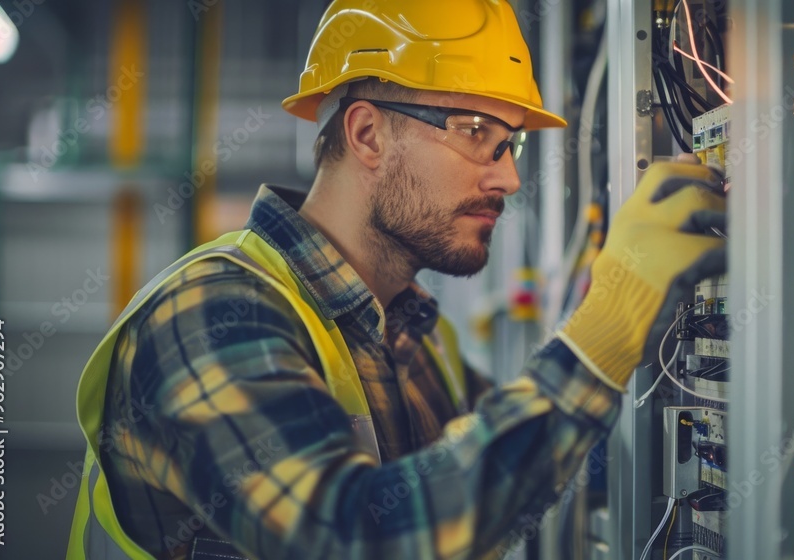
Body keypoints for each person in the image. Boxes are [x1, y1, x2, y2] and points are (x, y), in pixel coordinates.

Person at [66, 1, 726, 558]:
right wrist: (605, 327)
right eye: (475, 132)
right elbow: (355, 537)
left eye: (511, 144)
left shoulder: (416, 338)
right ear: (367, 134)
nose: (508, 178)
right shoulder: (208, 315)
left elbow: (528, 471)